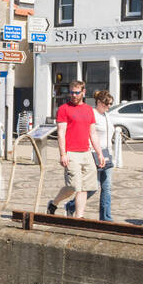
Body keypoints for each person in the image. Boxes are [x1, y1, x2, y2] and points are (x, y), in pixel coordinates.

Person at [47, 81, 108, 219]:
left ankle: (79, 217)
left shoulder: (88, 110)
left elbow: (93, 133)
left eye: (77, 92)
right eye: (72, 92)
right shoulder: (64, 109)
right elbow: (61, 133)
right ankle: (54, 203)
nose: (74, 95)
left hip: (86, 152)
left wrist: (99, 154)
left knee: (85, 187)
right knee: (73, 186)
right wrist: (63, 154)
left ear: (83, 92)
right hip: (71, 153)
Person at [66, 90, 116, 221]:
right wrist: (92, 150)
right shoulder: (92, 114)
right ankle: (72, 206)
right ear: (99, 102)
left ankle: (106, 218)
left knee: (107, 187)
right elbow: (89, 134)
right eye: (106, 103)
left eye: (110, 104)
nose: (109, 106)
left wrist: (110, 153)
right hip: (93, 154)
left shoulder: (107, 116)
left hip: (107, 154)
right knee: (92, 187)